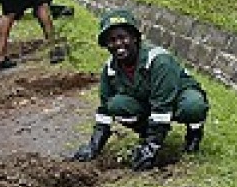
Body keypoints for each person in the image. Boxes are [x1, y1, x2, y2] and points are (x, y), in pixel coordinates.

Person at [72, 9, 209, 170]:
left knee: (193, 106)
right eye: (111, 40)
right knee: (117, 105)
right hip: (148, 100)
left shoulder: (159, 61)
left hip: (177, 97)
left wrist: (152, 147)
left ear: (135, 38)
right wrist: (94, 146)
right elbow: (105, 110)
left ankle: (194, 134)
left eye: (123, 37)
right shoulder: (110, 69)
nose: (118, 44)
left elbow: (162, 106)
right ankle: (146, 132)